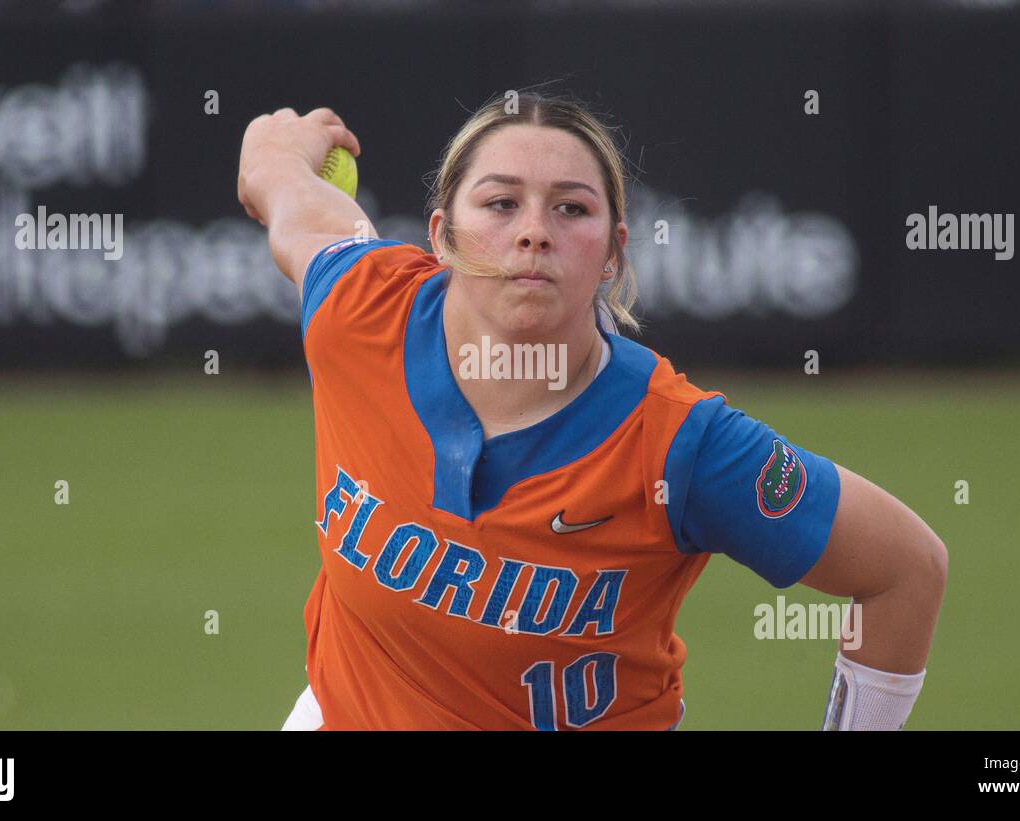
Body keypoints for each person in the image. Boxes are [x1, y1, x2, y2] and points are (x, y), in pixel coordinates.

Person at [237, 91, 947, 731]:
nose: (534, 232)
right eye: (500, 203)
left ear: (613, 252)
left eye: (571, 208)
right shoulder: (359, 311)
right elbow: (279, 180)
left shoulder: (676, 445)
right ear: (442, 235)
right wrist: (277, 147)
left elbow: (904, 570)